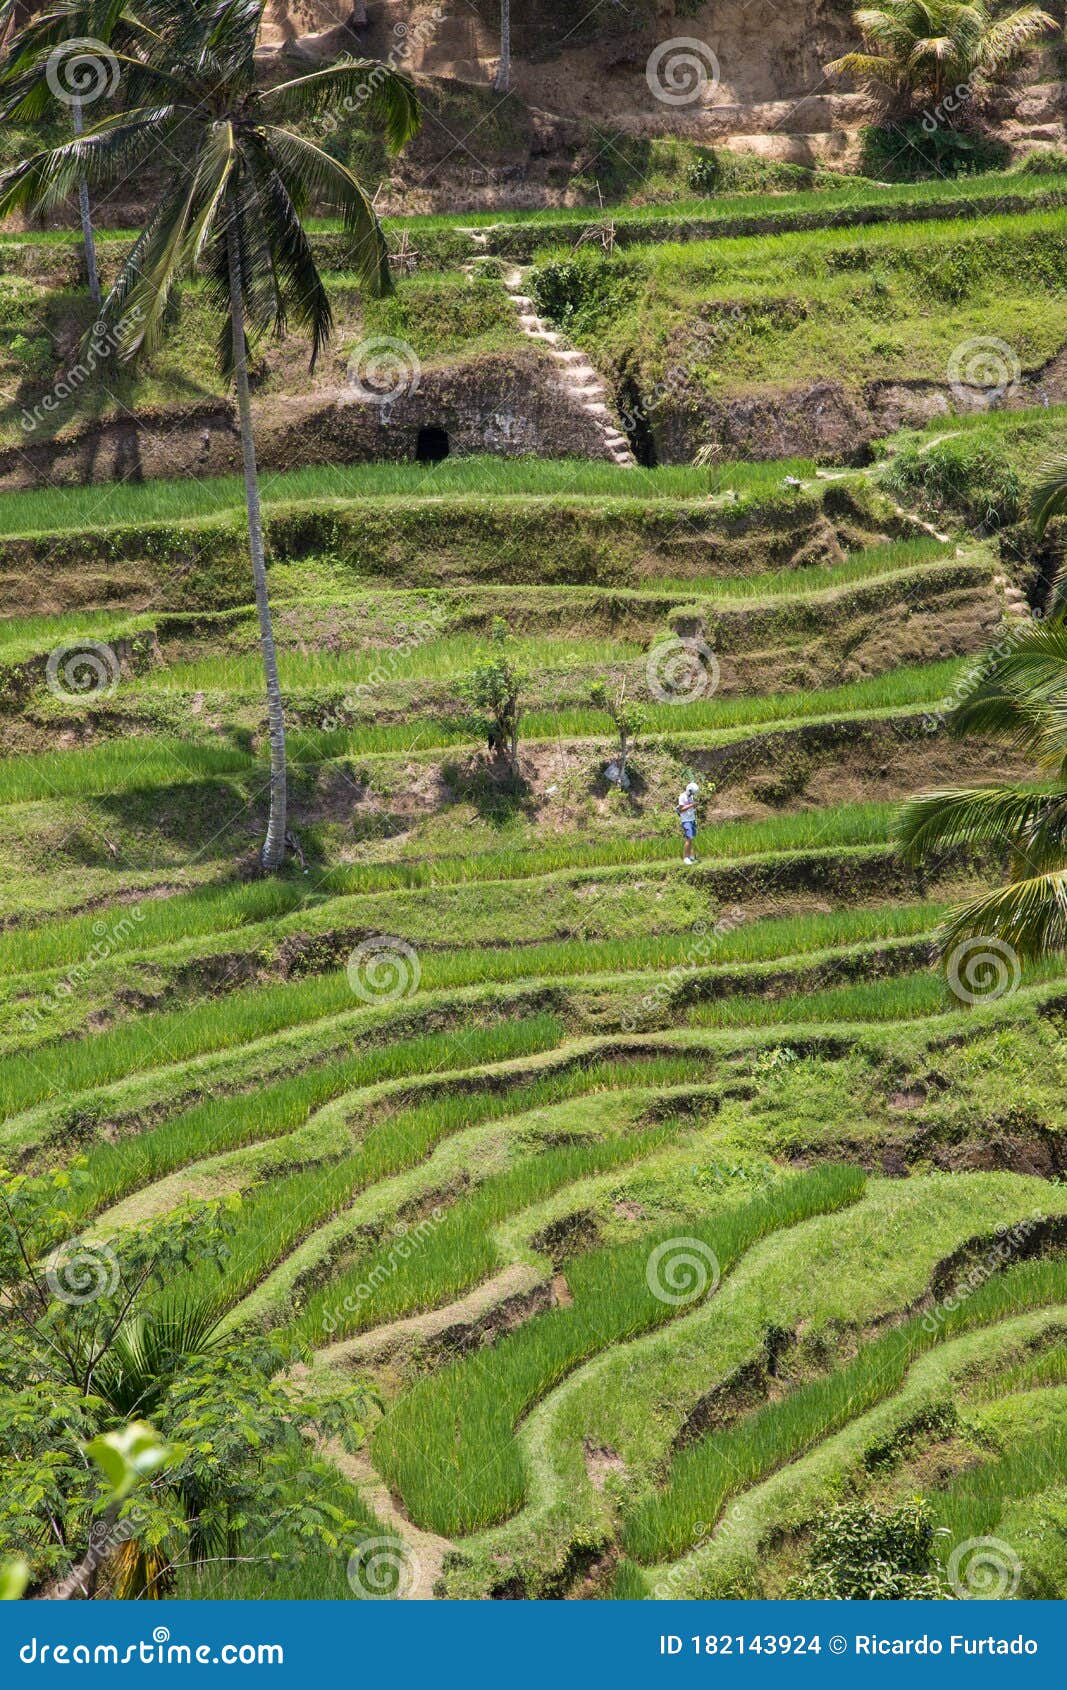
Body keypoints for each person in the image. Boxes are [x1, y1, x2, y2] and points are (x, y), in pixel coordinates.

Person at [677, 780, 699, 864]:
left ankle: (690, 856)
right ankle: (686, 858)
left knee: (691, 838)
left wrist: (694, 806)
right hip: (686, 821)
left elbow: (690, 807)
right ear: (689, 790)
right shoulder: (682, 796)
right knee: (688, 838)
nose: (693, 795)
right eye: (692, 793)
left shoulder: (691, 796)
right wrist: (692, 805)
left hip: (692, 819)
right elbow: (681, 809)